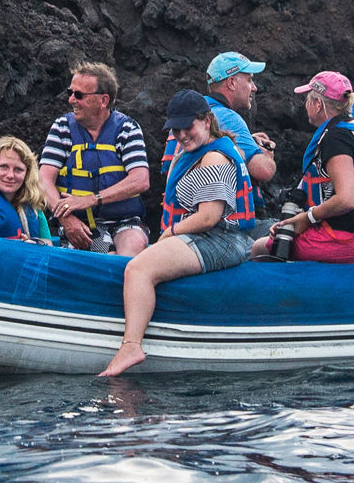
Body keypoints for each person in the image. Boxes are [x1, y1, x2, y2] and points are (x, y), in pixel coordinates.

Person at [99, 90, 255, 376]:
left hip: (221, 239)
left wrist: (171, 231)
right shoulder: (197, 150)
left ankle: (131, 345)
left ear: (207, 121)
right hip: (208, 235)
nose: (181, 135)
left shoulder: (214, 160)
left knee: (138, 269)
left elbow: (209, 217)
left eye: (188, 127)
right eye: (176, 128)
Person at [255, 71, 354, 264]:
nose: (305, 105)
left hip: (349, 242)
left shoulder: (335, 138)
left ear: (318, 104)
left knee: (259, 247)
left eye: (307, 99)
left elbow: (347, 199)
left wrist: (306, 218)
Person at [38, 63, 151, 257]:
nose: (71, 100)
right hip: (81, 223)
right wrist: (66, 219)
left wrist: (90, 199)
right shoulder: (62, 128)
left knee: (133, 248)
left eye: (79, 95)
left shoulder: (128, 129)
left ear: (104, 100)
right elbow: (44, 180)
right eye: (70, 92)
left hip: (125, 221)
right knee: (108, 255)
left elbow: (141, 180)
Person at [160, 50, 278, 191]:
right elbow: (264, 171)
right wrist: (267, 153)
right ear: (232, 83)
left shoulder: (190, 114)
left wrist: (248, 140)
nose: (254, 88)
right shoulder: (228, 118)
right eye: (249, 80)